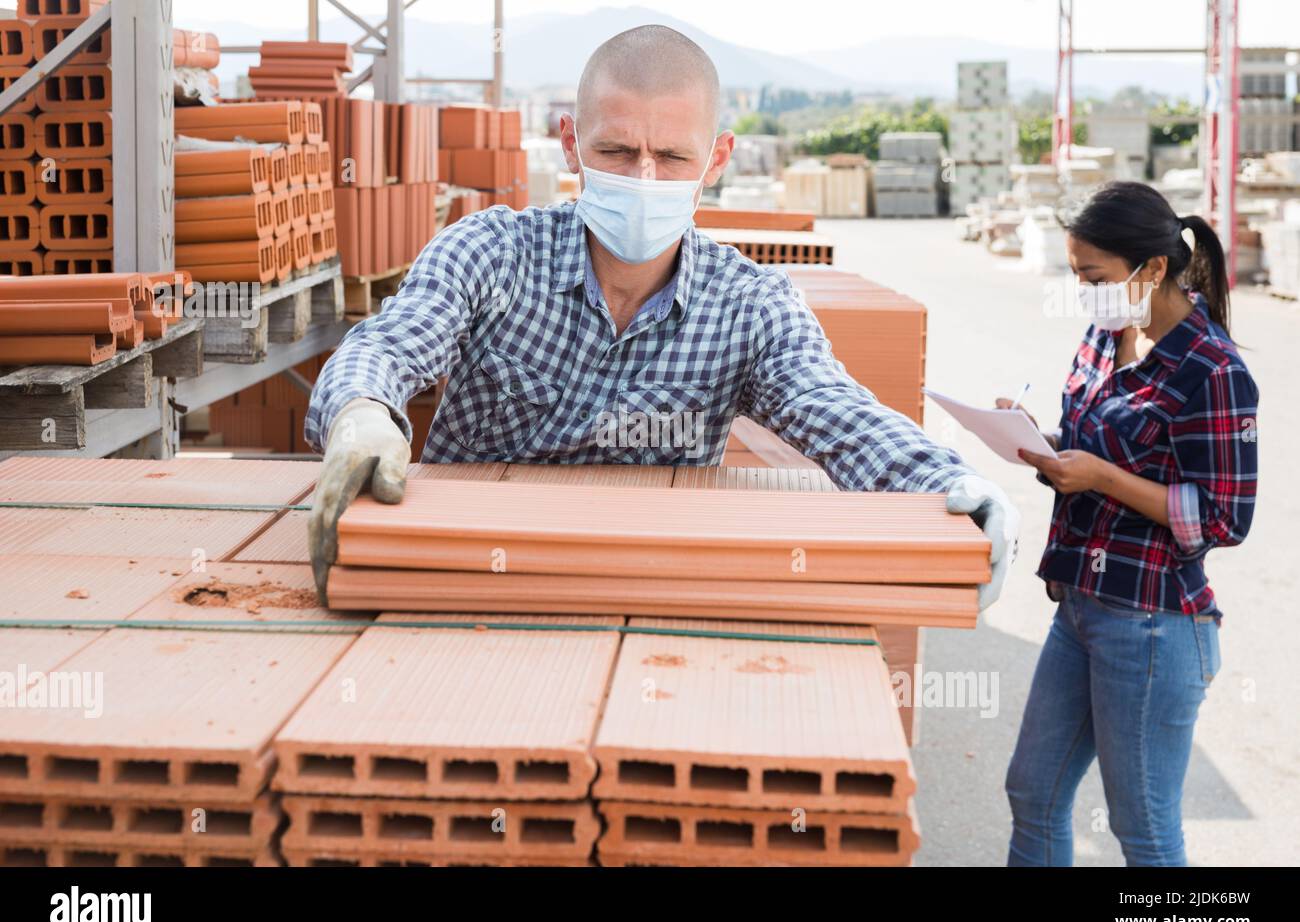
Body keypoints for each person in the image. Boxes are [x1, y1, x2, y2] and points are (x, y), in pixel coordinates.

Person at [303, 24, 1019, 606]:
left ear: (718, 158)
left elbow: (827, 404)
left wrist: (943, 482)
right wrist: (362, 411)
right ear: (569, 141)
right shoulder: (492, 252)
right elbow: (395, 340)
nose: (644, 179)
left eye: (673, 156)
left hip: (647, 592)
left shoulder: (749, 304)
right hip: (458, 582)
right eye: (616, 150)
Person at [1003, 181, 1259, 866]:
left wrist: (1103, 478)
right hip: (1082, 610)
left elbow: (1226, 519)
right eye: (1078, 276)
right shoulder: (1106, 334)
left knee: (1142, 829)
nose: (1084, 291)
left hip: (1153, 625)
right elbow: (1090, 440)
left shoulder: (1213, 370)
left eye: (1094, 276)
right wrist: (1038, 442)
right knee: (1032, 795)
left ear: (1150, 269)